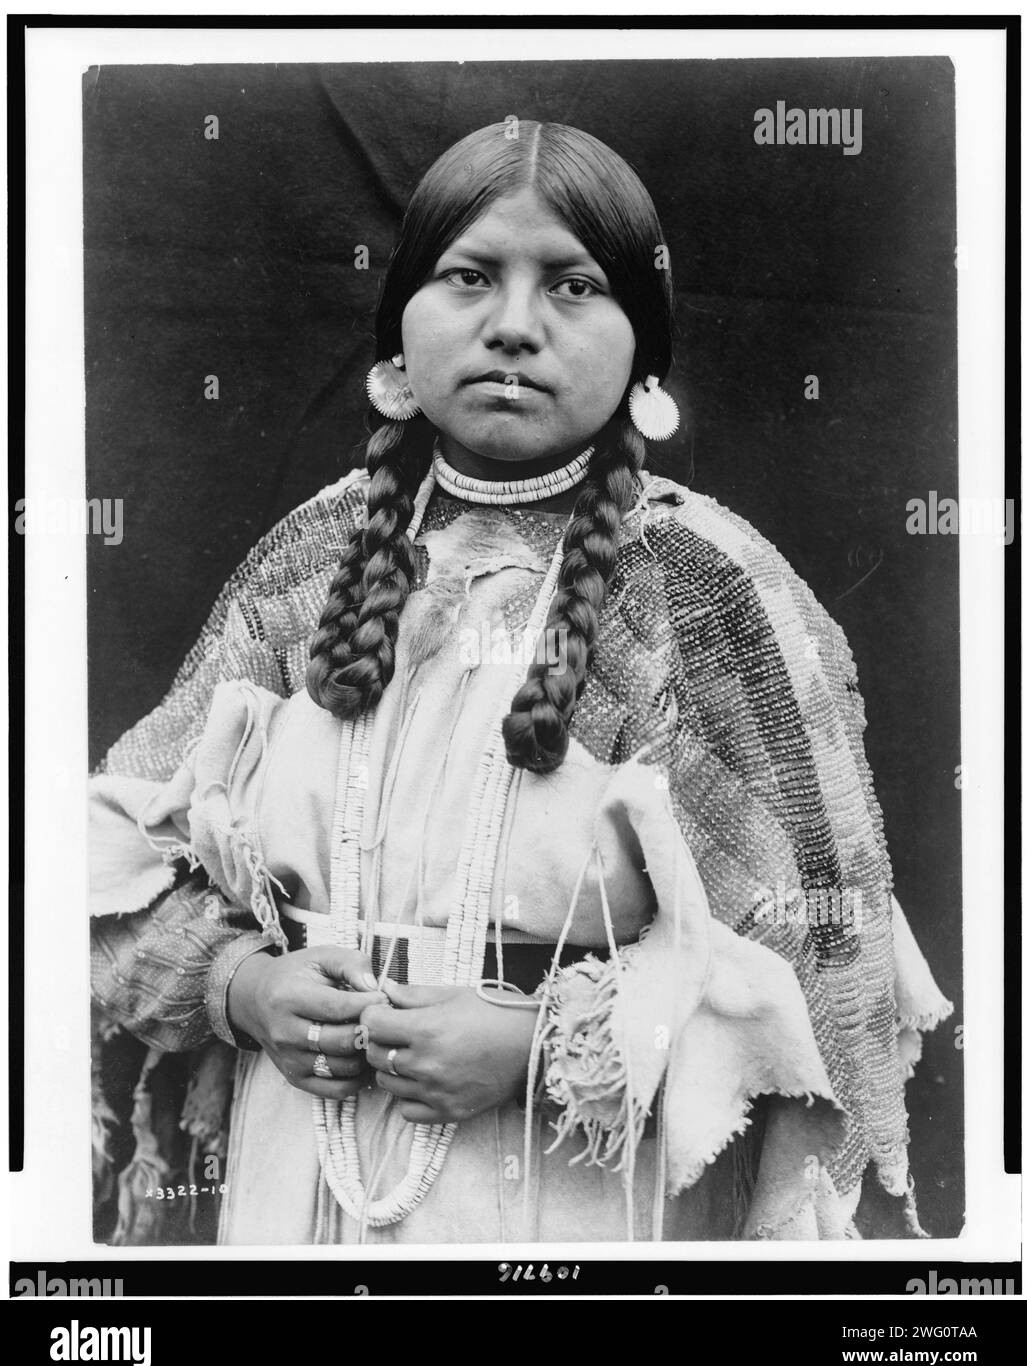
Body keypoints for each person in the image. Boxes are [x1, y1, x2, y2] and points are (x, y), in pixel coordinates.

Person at [89, 120, 951, 1245]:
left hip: (583, 1186)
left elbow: (833, 976)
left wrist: (549, 1049)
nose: (512, 324)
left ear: (645, 354)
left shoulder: (707, 588)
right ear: (397, 341)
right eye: (468, 276)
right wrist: (244, 987)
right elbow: (97, 860)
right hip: (302, 1177)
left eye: (574, 286)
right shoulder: (314, 560)